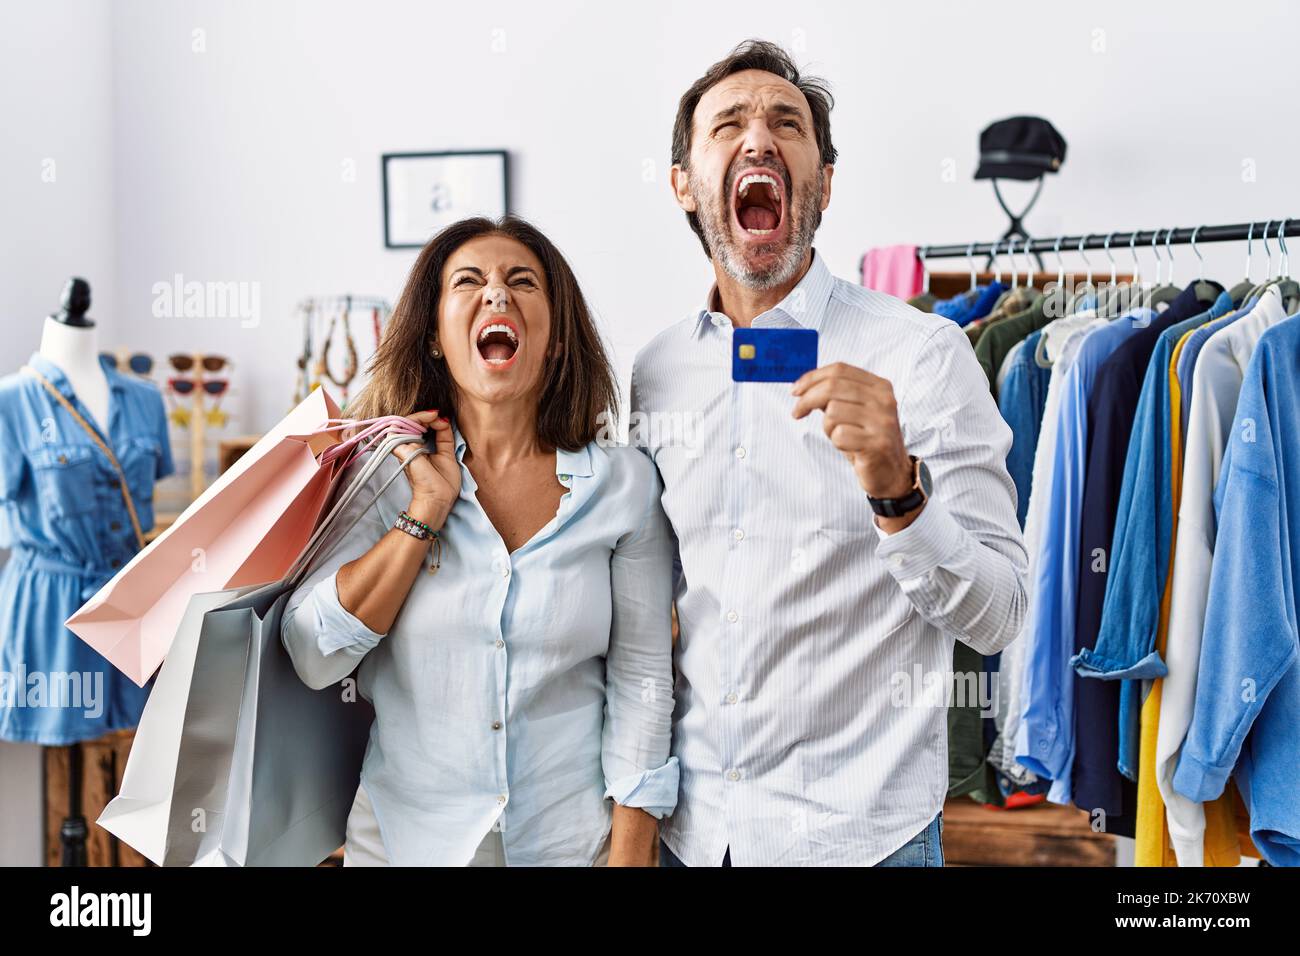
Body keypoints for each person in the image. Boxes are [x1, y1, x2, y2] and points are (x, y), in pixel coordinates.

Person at [632, 39, 1029, 866]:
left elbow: (1000, 617)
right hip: (694, 835)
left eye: (788, 123)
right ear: (683, 184)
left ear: (824, 181)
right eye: (728, 124)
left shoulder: (924, 355)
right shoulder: (657, 373)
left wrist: (899, 494)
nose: (759, 138)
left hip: (863, 842)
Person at [282, 215, 679, 866]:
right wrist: (424, 512)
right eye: (468, 281)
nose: (497, 293)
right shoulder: (383, 471)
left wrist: (631, 858)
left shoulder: (624, 485)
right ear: (436, 335)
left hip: (569, 844)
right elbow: (312, 653)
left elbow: (641, 681)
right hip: (404, 844)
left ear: (554, 337)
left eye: (522, 281)